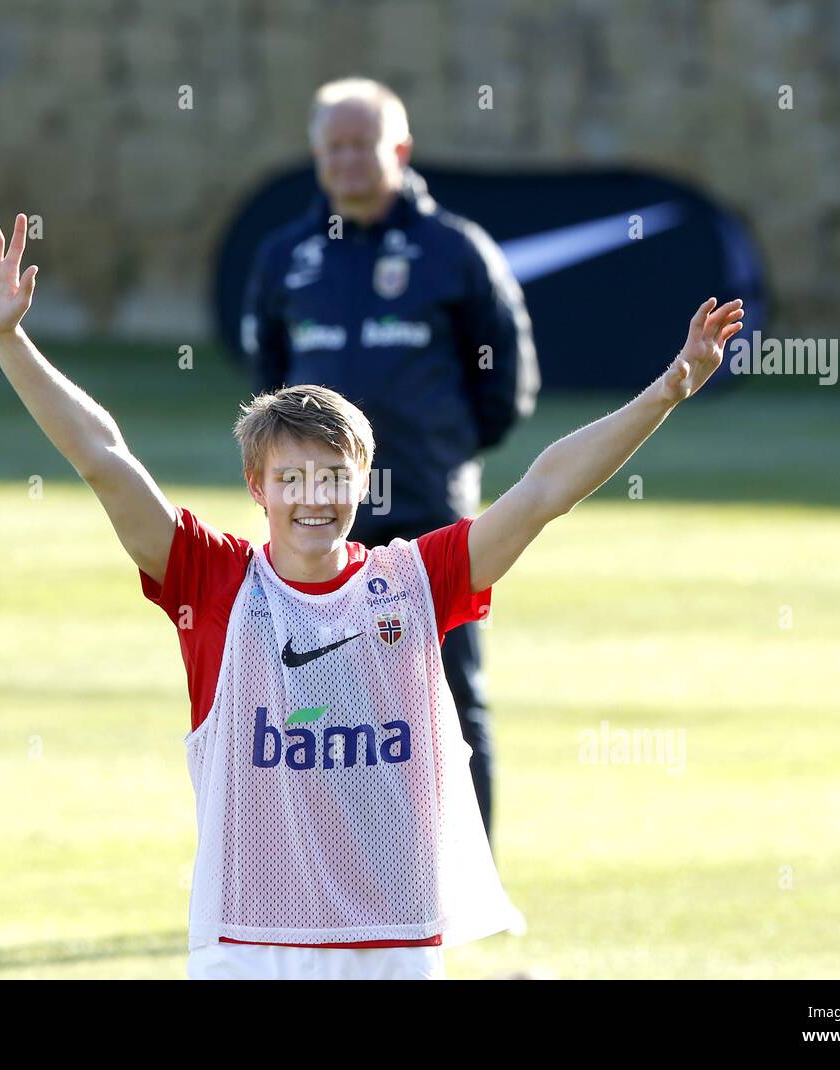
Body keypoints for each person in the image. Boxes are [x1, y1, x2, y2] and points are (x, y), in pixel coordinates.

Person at [0, 210, 744, 980]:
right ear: (258, 486)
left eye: (331, 477)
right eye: (291, 478)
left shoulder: (415, 583)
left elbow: (541, 493)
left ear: (363, 478)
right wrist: (8, 338)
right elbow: (105, 460)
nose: (312, 498)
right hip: (247, 939)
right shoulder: (214, 582)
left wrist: (668, 390)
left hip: (390, 937)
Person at [241, 77, 541, 848]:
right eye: (331, 146)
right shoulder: (287, 256)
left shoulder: (455, 250)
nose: (345, 160)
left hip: (425, 512)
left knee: (447, 693)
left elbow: (506, 382)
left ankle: (465, 871)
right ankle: (345, 874)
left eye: (361, 144)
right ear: (316, 154)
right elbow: (268, 382)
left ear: (399, 150)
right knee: (320, 701)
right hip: (316, 523)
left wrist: (440, 454)